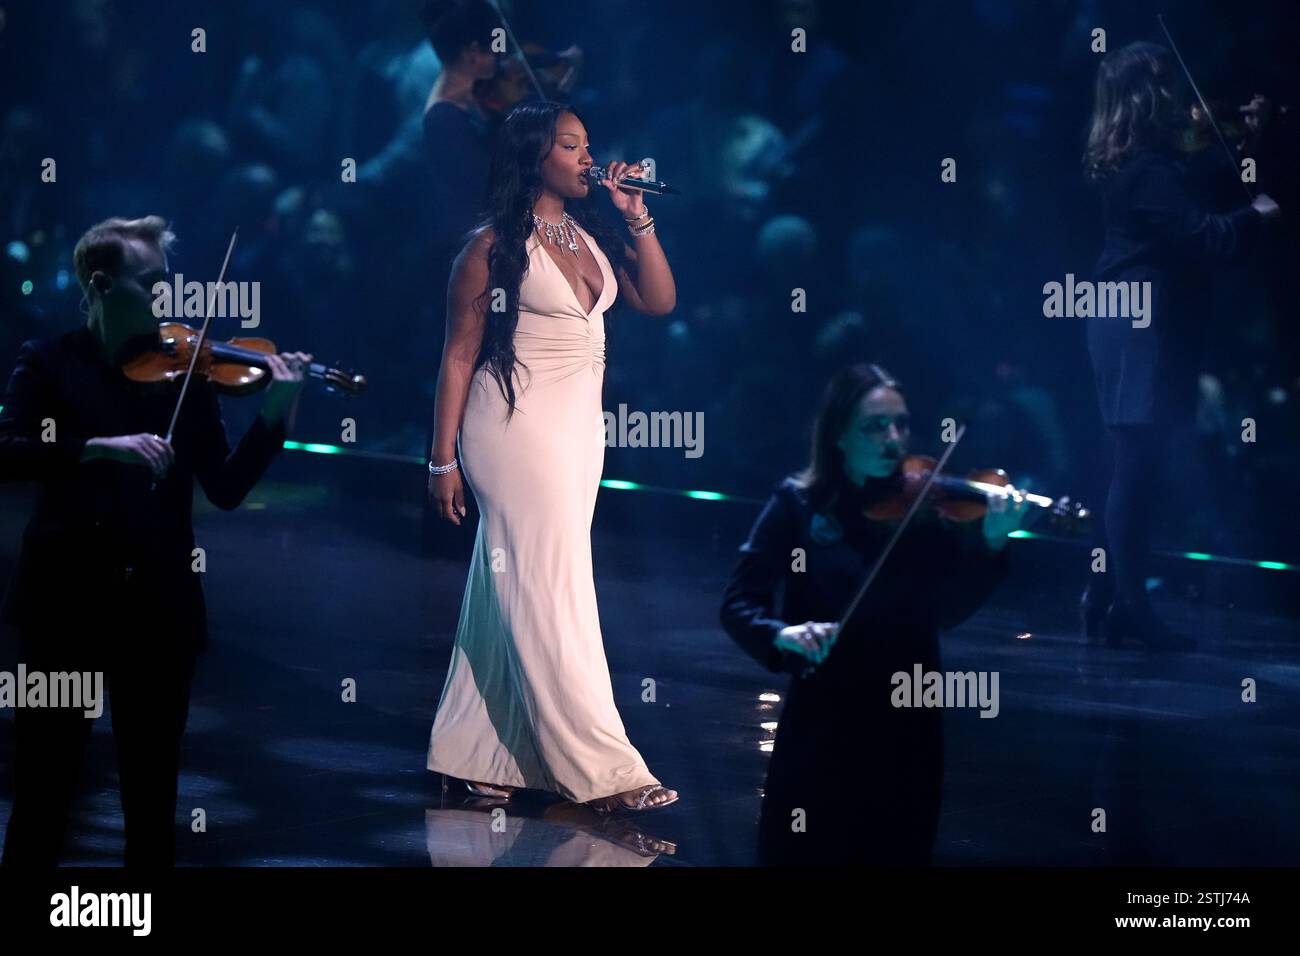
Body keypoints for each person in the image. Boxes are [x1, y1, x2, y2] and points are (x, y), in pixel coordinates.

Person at [0, 216, 311, 865]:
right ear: (103, 283)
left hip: (158, 609)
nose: (166, 301)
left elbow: (225, 487)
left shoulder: (186, 373)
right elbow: (9, 454)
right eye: (151, 285)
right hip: (63, 605)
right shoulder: (49, 361)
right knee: (44, 792)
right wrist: (95, 451)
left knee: (151, 800)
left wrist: (275, 415)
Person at [425, 102, 679, 814]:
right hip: (510, 429)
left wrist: (634, 213)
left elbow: (658, 301)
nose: (587, 157)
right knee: (550, 586)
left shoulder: (591, 232)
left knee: (510, 581)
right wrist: (441, 458)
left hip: (575, 435)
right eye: (570, 146)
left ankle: (473, 751)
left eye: (588, 145)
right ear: (536, 156)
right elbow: (458, 355)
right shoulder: (491, 246)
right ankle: (601, 767)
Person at [720, 364, 1028, 865]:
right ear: (838, 433)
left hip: (908, 720)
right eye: (875, 426)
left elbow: (946, 611)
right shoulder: (799, 504)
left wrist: (992, 544)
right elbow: (737, 604)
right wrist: (783, 635)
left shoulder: (925, 510)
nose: (893, 439)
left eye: (901, 425)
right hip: (824, 719)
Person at [1079, 42, 1281, 649]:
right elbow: (1204, 236)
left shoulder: (1143, 163)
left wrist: (1245, 146)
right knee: (1137, 464)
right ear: (1148, 93)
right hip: (1142, 322)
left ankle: (1110, 595)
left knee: (1135, 463)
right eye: (1168, 83)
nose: (1183, 99)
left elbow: (1202, 186)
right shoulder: (1147, 169)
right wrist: (1258, 214)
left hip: (1138, 317)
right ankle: (1127, 605)